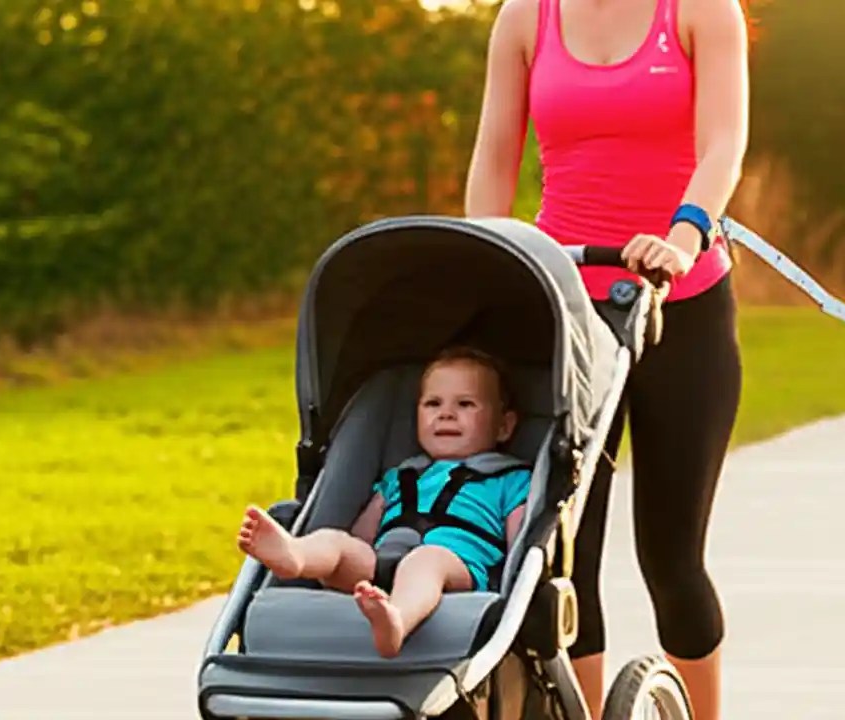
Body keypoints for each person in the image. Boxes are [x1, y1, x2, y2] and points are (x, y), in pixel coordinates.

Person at [463, 0, 750, 717]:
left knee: (672, 561)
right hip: (564, 307)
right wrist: (482, 268)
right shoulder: (526, 17)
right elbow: (496, 154)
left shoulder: (701, 11)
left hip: (679, 309)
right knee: (562, 559)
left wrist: (682, 240)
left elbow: (724, 143)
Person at [236, 345, 532, 659]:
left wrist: (520, 584)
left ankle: (397, 621)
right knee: (337, 542)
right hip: (383, 561)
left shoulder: (512, 478)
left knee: (425, 561)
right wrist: (345, 556)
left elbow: (521, 543)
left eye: (465, 404)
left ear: (504, 426)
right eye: (433, 403)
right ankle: (297, 556)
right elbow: (363, 534)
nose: (446, 413)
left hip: (456, 566)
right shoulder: (399, 476)